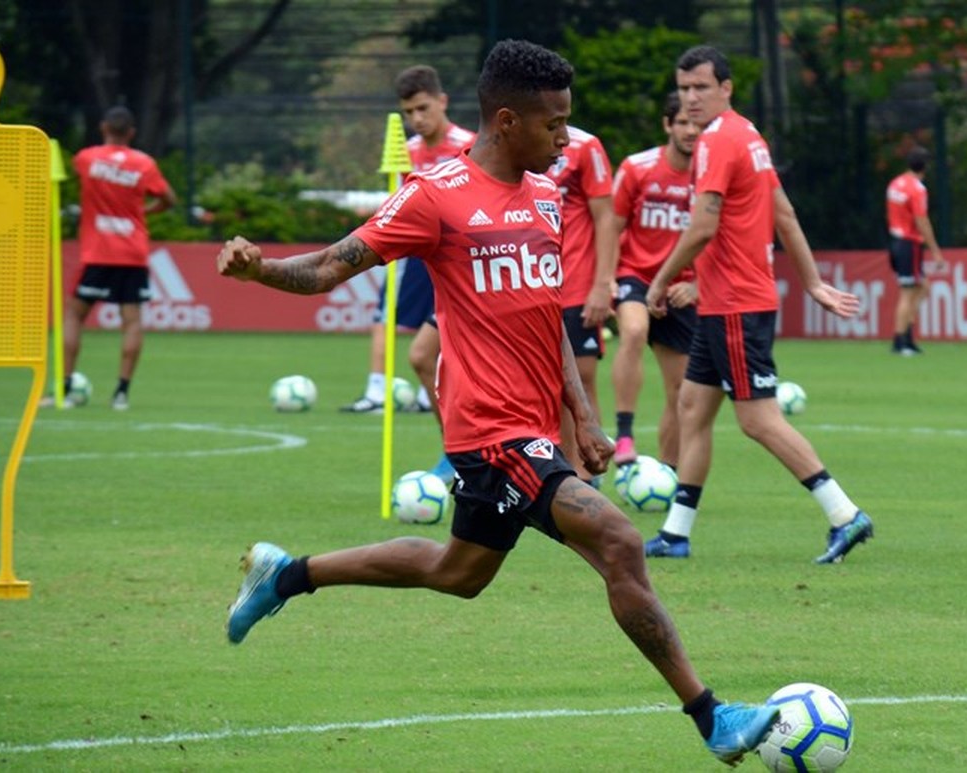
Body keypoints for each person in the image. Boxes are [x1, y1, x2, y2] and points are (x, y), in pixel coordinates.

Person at [216, 40, 778, 766]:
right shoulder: (434, 194)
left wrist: (581, 414)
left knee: (460, 572)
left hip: (536, 425)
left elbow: (546, 317)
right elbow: (330, 265)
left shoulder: (547, 196)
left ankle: (285, 574)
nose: (565, 139)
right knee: (621, 540)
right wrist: (259, 269)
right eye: (554, 124)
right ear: (507, 120)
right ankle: (712, 717)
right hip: (489, 432)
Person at [643, 45, 874, 565]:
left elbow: (702, 226)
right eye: (684, 89)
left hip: (734, 306)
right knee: (692, 409)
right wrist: (812, 283)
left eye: (701, 87)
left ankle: (844, 514)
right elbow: (785, 214)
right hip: (726, 305)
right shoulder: (749, 136)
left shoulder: (716, 143)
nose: (691, 98)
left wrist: (657, 283)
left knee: (757, 420)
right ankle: (676, 535)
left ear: (726, 88)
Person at [340, 64, 475, 479]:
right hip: (419, 258)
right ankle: (457, 453)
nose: (417, 118)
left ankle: (471, 453)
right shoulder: (409, 152)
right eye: (409, 112)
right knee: (416, 347)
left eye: (423, 108)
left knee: (444, 358)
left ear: (442, 102)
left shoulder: (470, 146)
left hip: (465, 265)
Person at [43, 106, 177, 410]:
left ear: (104, 127)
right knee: (131, 322)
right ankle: (121, 394)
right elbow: (169, 198)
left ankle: (63, 388)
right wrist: (145, 211)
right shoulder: (144, 164)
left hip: (98, 252)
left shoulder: (86, 158)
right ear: (131, 132)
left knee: (74, 316)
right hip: (133, 253)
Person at [608, 92, 701, 468]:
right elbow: (611, 226)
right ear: (667, 125)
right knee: (631, 331)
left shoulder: (712, 176)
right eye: (682, 123)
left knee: (680, 393)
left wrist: (697, 286)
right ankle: (625, 434)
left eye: (698, 124)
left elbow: (722, 238)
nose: (691, 131)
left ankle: (665, 475)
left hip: (682, 289)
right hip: (636, 276)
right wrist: (606, 279)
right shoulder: (637, 168)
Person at [544, 122, 617, 485]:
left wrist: (603, 283)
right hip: (535, 282)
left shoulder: (586, 145)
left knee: (581, 379)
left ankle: (586, 471)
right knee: (544, 385)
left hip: (577, 284)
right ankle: (564, 469)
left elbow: (606, 217)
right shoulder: (515, 140)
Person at [886, 144, 946, 355]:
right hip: (909, 243)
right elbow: (922, 221)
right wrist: (936, 251)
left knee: (923, 287)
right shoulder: (917, 189)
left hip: (895, 241)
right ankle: (900, 341)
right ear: (925, 166)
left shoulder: (895, 184)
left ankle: (908, 335)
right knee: (908, 292)